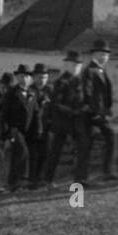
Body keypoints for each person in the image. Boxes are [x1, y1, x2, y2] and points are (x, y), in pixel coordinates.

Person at [76, 38, 118, 183]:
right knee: (88, 144)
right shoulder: (89, 70)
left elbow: (105, 94)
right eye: (100, 54)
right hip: (90, 114)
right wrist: (95, 112)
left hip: (100, 113)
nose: (103, 57)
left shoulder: (101, 70)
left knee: (107, 138)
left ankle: (107, 171)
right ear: (93, 55)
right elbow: (87, 93)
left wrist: (107, 110)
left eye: (106, 55)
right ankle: (84, 177)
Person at [45, 51, 83, 186]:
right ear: (67, 65)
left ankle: (79, 178)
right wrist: (72, 111)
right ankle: (48, 180)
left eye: (78, 65)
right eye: (73, 65)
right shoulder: (61, 81)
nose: (76, 68)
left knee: (82, 147)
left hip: (75, 121)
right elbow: (56, 103)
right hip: (62, 121)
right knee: (56, 151)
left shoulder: (78, 80)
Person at [1, 64, 35, 192]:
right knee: (22, 152)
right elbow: (4, 115)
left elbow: (35, 113)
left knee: (18, 155)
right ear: (16, 77)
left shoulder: (32, 93)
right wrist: (6, 135)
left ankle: (13, 183)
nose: (24, 79)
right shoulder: (11, 94)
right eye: (21, 76)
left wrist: (38, 130)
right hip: (14, 130)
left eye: (27, 76)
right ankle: (21, 180)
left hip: (28, 130)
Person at [27, 64, 52, 188]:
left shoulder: (49, 90)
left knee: (45, 153)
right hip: (33, 127)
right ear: (34, 77)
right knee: (33, 154)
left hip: (47, 126)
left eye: (45, 77)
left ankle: (42, 179)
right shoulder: (30, 90)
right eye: (40, 77)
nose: (42, 80)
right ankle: (33, 180)